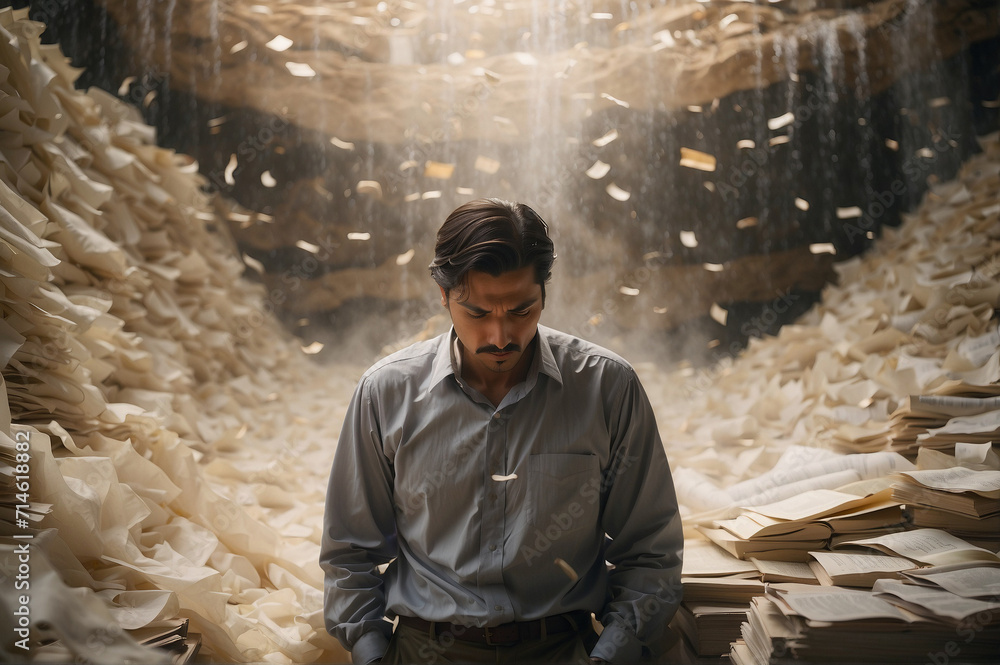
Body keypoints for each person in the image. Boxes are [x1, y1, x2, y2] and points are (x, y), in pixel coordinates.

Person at [320, 198, 683, 664]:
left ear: (544, 293)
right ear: (443, 295)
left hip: (564, 649)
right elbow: (349, 553)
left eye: (521, 310)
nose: (500, 336)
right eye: (477, 313)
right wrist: (371, 652)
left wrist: (612, 654)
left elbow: (651, 550)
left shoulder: (607, 387)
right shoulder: (386, 393)